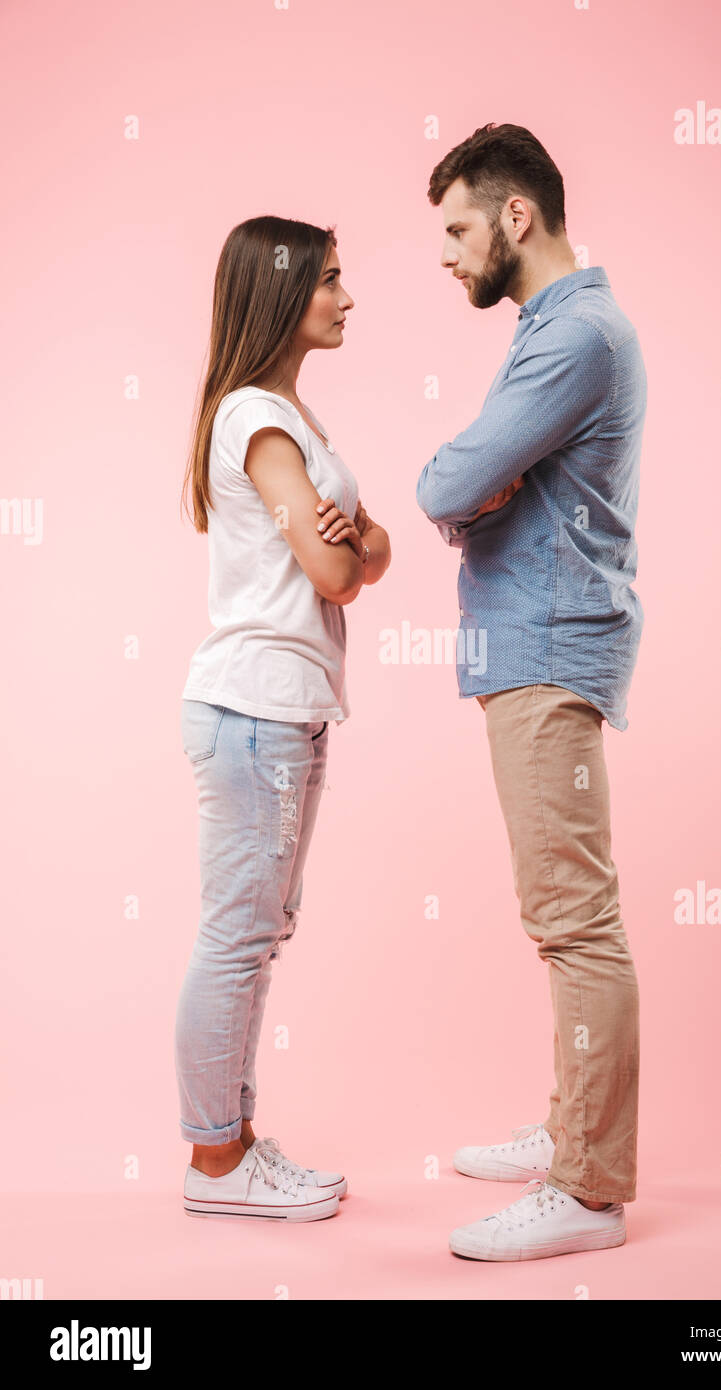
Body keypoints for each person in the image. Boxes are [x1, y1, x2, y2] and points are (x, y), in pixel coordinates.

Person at [416, 123, 647, 1261]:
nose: (446, 253)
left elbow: (449, 479)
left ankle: (588, 1187)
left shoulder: (575, 340)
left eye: (457, 227)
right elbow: (478, 481)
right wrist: (478, 486)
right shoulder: (552, 330)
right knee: (557, 916)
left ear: (515, 216)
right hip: (530, 648)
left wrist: (464, 488)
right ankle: (570, 1129)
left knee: (574, 922)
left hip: (547, 650)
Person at [176, 216, 390, 1221]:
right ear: (282, 292)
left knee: (257, 932)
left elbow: (369, 548)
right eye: (331, 281)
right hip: (255, 708)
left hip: (282, 710)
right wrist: (355, 547)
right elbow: (337, 569)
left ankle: (234, 1143)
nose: (347, 299)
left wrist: (361, 542)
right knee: (238, 934)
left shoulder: (288, 419)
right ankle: (215, 1161)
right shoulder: (257, 420)